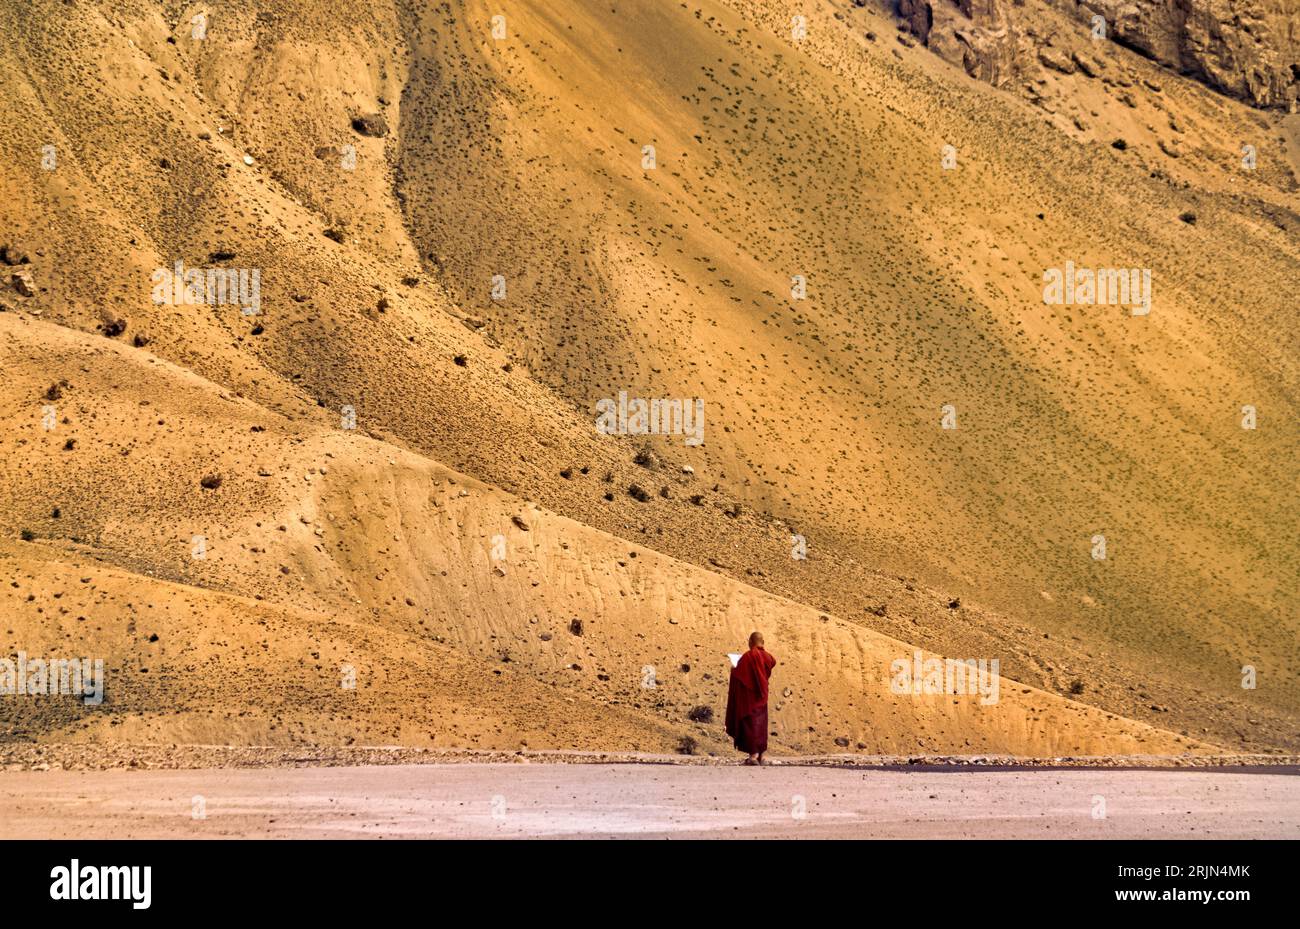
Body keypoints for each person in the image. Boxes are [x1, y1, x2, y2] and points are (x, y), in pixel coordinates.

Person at [725, 631, 776, 765]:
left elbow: (738, 673)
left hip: (749, 699)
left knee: (751, 725)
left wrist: (733, 669)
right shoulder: (768, 657)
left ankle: (753, 756)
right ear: (763, 642)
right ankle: (762, 756)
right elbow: (772, 663)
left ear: (751, 642)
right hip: (762, 697)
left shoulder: (749, 656)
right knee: (762, 725)